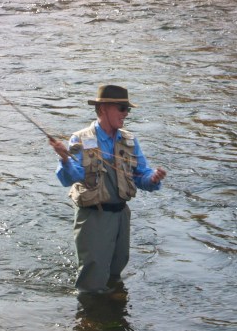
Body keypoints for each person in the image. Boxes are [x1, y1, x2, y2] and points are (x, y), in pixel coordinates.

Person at [48, 84, 166, 295]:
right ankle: (89, 318)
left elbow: (142, 176)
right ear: (103, 109)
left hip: (121, 215)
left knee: (116, 270)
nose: (126, 114)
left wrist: (153, 177)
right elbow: (70, 177)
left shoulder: (129, 140)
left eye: (127, 109)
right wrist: (64, 158)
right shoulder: (81, 139)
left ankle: (112, 310)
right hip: (93, 216)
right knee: (91, 282)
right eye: (121, 108)